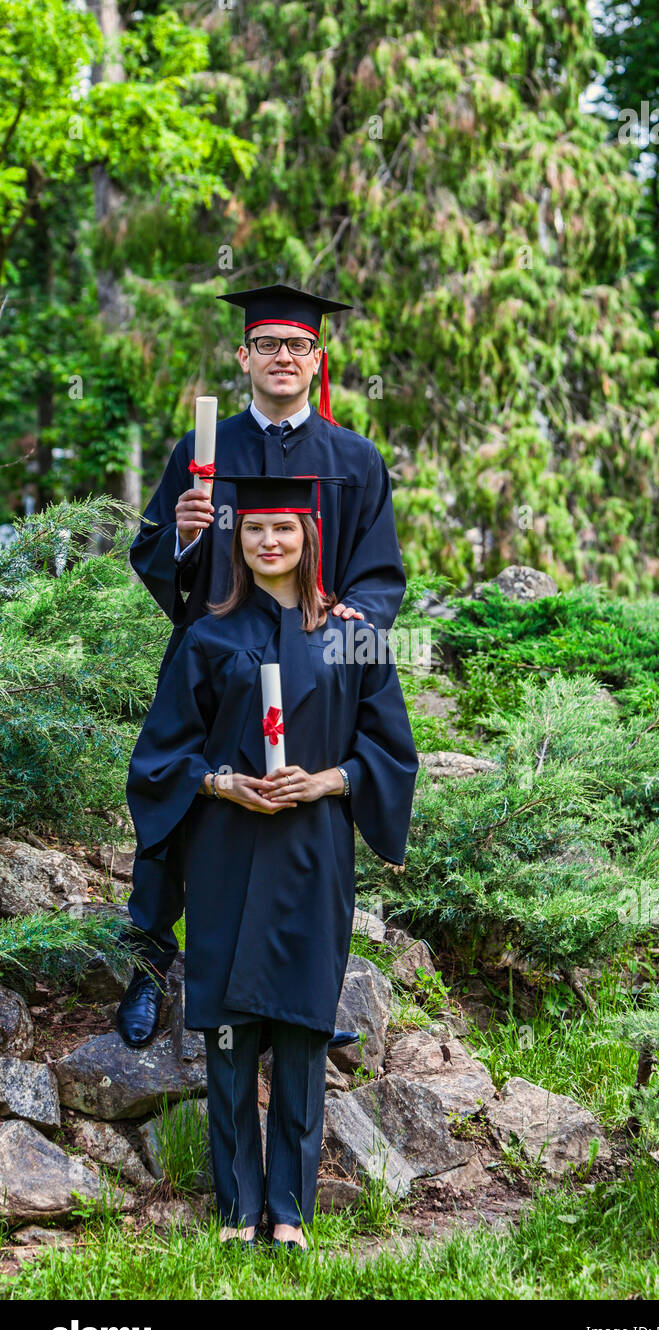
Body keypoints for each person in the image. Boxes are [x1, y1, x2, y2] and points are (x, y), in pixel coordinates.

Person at [125, 473, 418, 1250]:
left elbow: (390, 751)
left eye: (283, 529)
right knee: (227, 1029)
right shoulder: (207, 638)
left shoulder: (352, 634)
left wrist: (328, 778)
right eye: (253, 531)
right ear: (237, 541)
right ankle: (234, 1209)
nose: (268, 543)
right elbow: (159, 758)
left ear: (309, 537)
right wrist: (222, 783)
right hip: (227, 852)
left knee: (299, 1028)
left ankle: (288, 1211)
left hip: (312, 852)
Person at [119, 283, 407, 1050]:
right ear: (244, 357)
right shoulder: (200, 453)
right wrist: (181, 537)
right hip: (212, 661)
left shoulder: (355, 460)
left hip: (315, 670)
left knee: (300, 825)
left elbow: (379, 575)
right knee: (183, 801)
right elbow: (153, 557)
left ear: (319, 361)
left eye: (299, 346)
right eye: (269, 345)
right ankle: (149, 967)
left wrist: (356, 632)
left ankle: (303, 994)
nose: (284, 357)